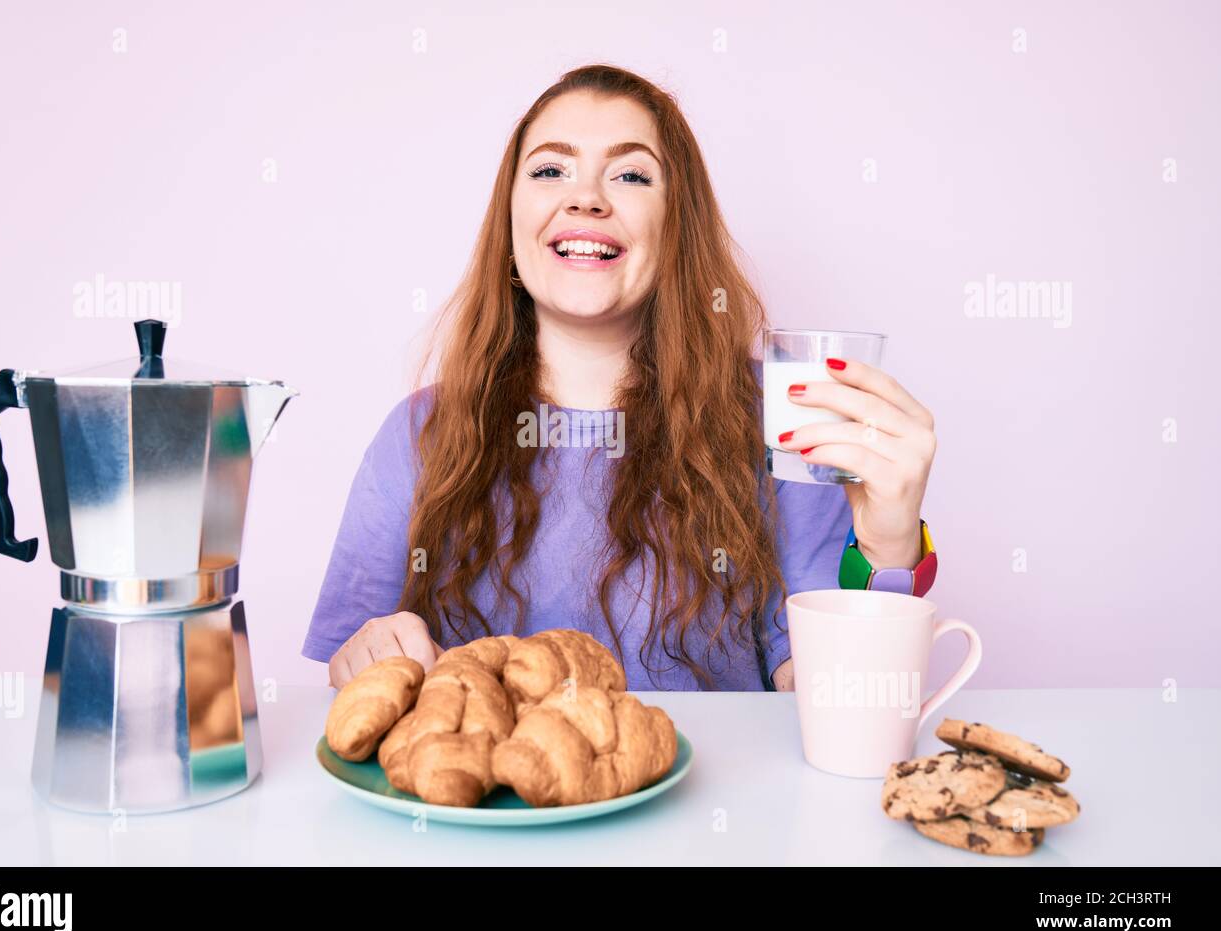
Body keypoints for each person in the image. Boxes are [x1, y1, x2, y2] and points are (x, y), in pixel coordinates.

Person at [302, 64, 937, 693]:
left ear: (676, 227)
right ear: (510, 223)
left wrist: (889, 546)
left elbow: (836, 700)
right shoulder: (419, 431)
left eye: (631, 174)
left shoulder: (780, 421)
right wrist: (370, 656)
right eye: (551, 170)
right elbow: (357, 672)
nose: (586, 197)